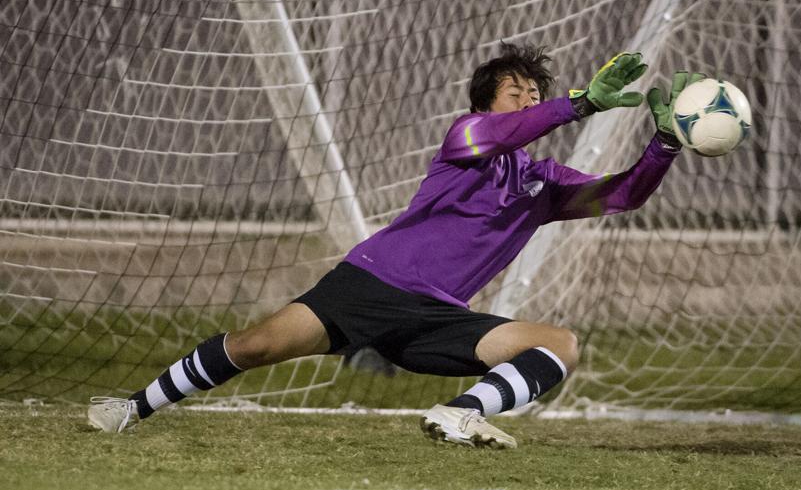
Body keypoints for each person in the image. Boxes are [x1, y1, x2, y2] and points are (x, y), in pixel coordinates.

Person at [88, 42, 703, 449]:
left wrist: (665, 145)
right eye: (516, 92)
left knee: (559, 344)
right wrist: (579, 105)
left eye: (535, 95)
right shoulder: (466, 137)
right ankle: (132, 407)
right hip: (370, 284)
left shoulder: (544, 183)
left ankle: (461, 412)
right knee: (253, 347)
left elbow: (622, 196)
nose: (528, 101)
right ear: (486, 103)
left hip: (437, 318)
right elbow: (506, 130)